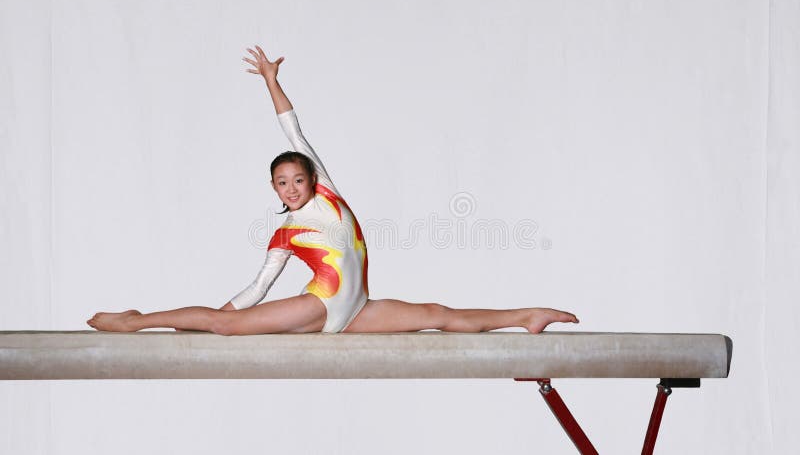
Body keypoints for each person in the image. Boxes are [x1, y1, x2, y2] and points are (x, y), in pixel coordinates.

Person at [87, 45, 579, 335]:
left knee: (438, 314)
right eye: (283, 183)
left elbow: (293, 132)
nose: (293, 187)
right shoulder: (285, 233)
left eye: (298, 179)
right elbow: (259, 287)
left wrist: (271, 82)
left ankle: (527, 314)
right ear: (274, 188)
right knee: (226, 327)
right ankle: (135, 321)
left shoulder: (327, 195)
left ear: (310, 178)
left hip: (358, 308)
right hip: (322, 304)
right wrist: (220, 314)